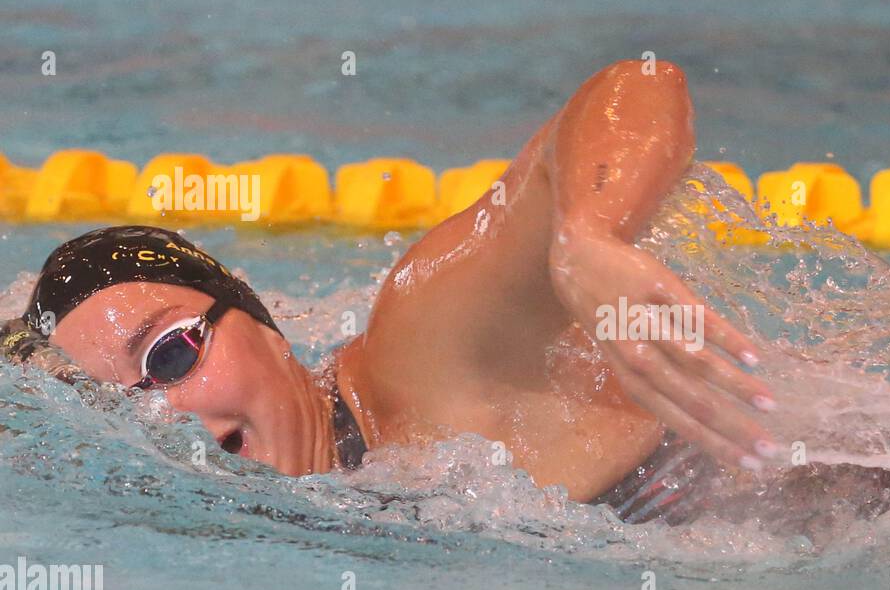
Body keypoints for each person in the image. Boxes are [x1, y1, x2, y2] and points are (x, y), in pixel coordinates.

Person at [5, 61, 786, 525]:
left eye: (172, 354)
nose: (165, 414)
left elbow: (639, 84)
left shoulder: (421, 357)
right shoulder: (323, 492)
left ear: (264, 324)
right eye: (125, 406)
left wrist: (589, 236)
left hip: (850, 498)